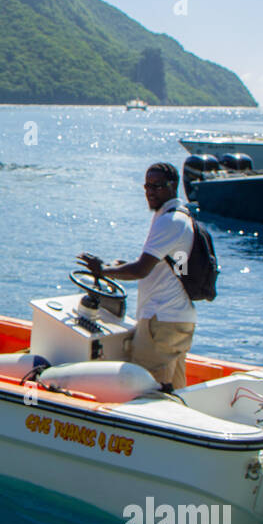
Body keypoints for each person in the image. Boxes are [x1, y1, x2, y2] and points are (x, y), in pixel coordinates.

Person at [76, 162, 196, 391]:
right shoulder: (179, 216)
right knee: (175, 391)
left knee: (144, 389)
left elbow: (141, 269)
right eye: (147, 186)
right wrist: (120, 266)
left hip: (161, 323)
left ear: (172, 186)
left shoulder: (170, 221)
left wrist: (102, 271)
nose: (150, 192)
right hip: (177, 319)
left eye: (157, 186)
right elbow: (167, 267)